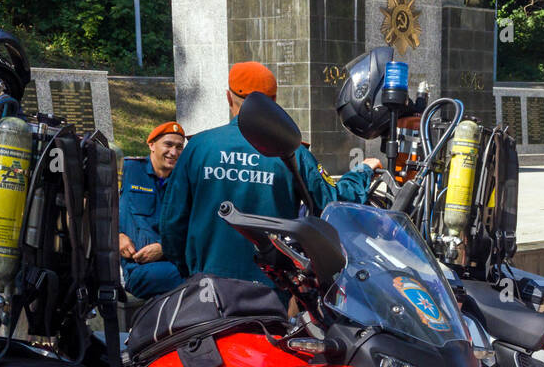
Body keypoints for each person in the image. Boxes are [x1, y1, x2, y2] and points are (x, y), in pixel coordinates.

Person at [159, 61, 384, 284]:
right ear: (274, 103)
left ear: (228, 97)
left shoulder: (198, 147)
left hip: (207, 289)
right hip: (271, 291)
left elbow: (172, 224)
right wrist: (363, 171)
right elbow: (332, 200)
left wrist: (189, 271)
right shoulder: (292, 150)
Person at [119, 120, 186, 300]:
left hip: (173, 261)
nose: (174, 152)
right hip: (136, 268)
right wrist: (115, 236)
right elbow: (94, 207)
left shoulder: (184, 181)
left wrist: (165, 248)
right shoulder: (127, 170)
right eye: (168, 144)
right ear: (151, 145)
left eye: (179, 147)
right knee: (199, 279)